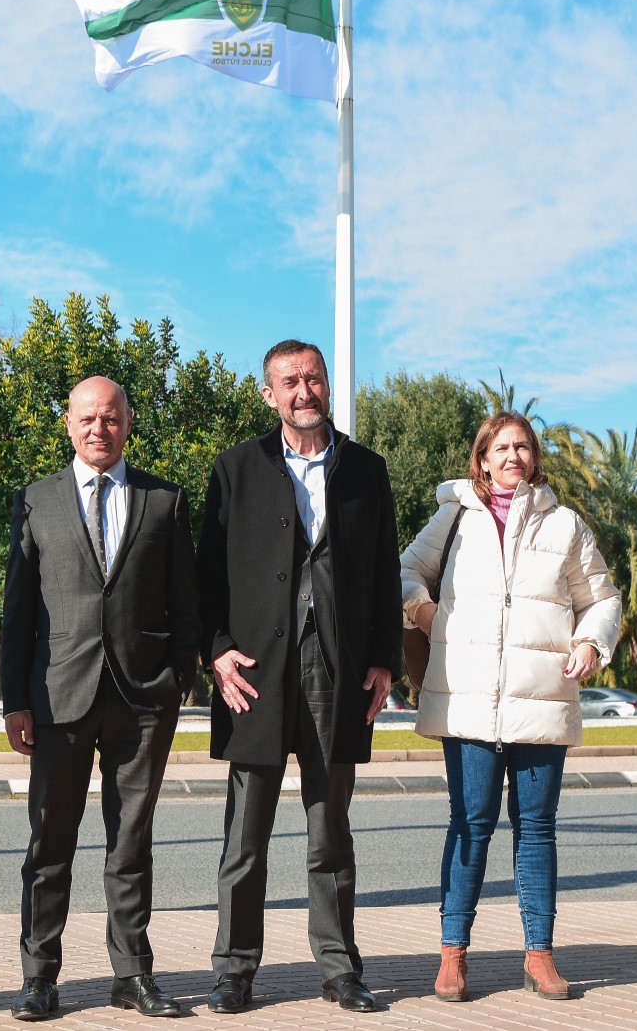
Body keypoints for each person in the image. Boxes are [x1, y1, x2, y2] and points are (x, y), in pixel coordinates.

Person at [198, 339, 401, 1015]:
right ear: (269, 393)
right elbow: (206, 574)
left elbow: (384, 572)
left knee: (329, 831)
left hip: (336, 669)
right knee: (244, 835)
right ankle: (233, 968)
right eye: (289, 381)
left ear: (327, 384)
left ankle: (341, 968)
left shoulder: (366, 470)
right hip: (254, 670)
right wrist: (218, 649)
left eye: (312, 377)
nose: (303, 390)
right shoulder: (234, 469)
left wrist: (383, 659)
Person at [399, 410, 622, 1002]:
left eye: (522, 447)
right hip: (467, 701)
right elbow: (404, 572)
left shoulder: (564, 525)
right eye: (501, 448)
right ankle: (452, 956)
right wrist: (422, 611)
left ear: (534, 457)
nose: (512, 457)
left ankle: (540, 955)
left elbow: (601, 596)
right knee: (469, 825)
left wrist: (591, 642)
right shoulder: (453, 518)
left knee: (537, 830)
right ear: (482, 457)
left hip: (541, 700)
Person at [0, 377, 201, 1022]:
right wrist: (14, 699)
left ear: (127, 423)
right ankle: (39, 977)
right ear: (68, 424)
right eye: (87, 418)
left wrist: (176, 680)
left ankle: (132, 974)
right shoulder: (35, 501)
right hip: (57, 696)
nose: (99, 429)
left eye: (110, 418)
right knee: (49, 840)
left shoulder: (163, 501)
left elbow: (186, 602)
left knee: (131, 839)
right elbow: (18, 611)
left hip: (143, 699)